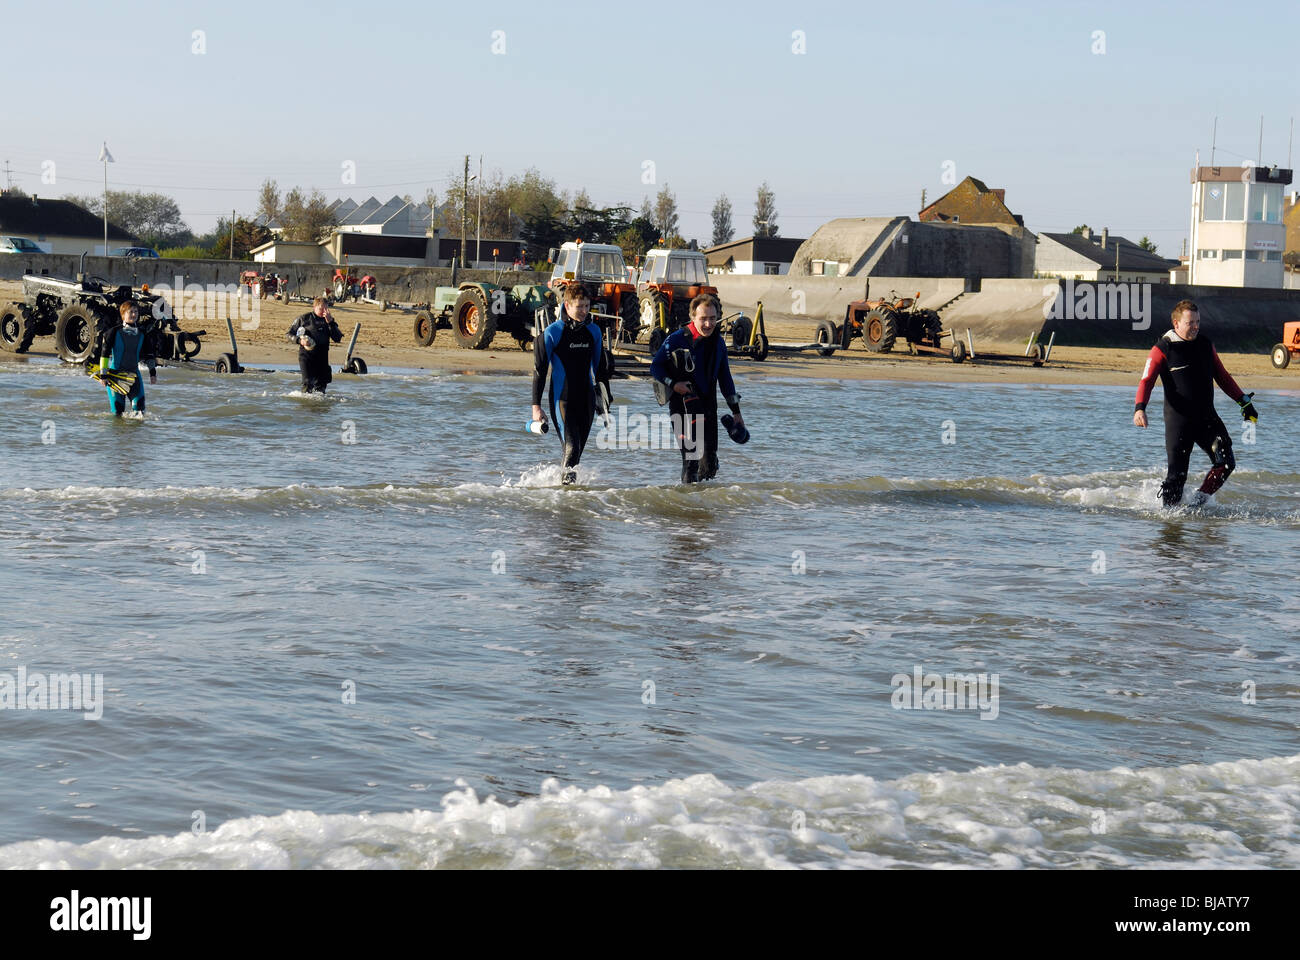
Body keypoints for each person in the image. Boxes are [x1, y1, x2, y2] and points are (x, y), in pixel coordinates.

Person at [1134, 299, 1258, 507]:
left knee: (1226, 463)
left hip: (1206, 417)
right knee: (1177, 478)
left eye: (1198, 322)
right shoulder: (1163, 348)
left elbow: (1223, 377)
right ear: (1176, 323)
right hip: (1179, 421)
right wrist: (1140, 408)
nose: (1196, 327)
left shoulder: (1205, 345)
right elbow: (1146, 380)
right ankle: (1170, 523)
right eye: (1191, 322)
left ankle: (1197, 504)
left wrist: (1244, 402)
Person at [649, 293, 745, 483]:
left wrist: (736, 413)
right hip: (682, 406)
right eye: (703, 319)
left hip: (708, 408)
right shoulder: (677, 339)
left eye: (712, 319)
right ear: (693, 317)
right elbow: (655, 367)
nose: (708, 324)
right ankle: (687, 508)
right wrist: (674, 384)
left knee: (709, 467)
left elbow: (725, 378)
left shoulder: (718, 343)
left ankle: (699, 507)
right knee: (691, 461)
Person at [530, 281, 611, 485]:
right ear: (567, 306)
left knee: (575, 455)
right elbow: (539, 372)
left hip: (587, 400)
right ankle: (565, 498)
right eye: (579, 306)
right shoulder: (552, 333)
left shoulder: (593, 332)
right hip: (562, 400)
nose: (584, 311)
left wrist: (605, 399)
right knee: (572, 448)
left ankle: (567, 498)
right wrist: (536, 408)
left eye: (586, 306)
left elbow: (600, 371)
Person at [89, 301, 157, 416]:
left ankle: (135, 434)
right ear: (123, 314)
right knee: (118, 412)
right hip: (115, 377)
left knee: (139, 410)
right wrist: (103, 375)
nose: (134, 315)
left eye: (136, 312)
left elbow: (149, 355)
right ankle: (118, 434)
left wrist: (152, 373)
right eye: (131, 312)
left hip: (134, 376)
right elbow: (104, 354)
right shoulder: (113, 332)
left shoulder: (142, 333)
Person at [287, 297, 343, 393]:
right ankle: (305, 405)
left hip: (322, 358)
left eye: (326, 309)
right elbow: (289, 334)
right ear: (314, 307)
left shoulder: (330, 321)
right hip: (306, 356)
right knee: (308, 384)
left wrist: (331, 323)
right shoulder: (304, 318)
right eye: (321, 309)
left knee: (320, 388)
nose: (324, 312)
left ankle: (319, 407)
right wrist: (300, 341)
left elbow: (338, 338)